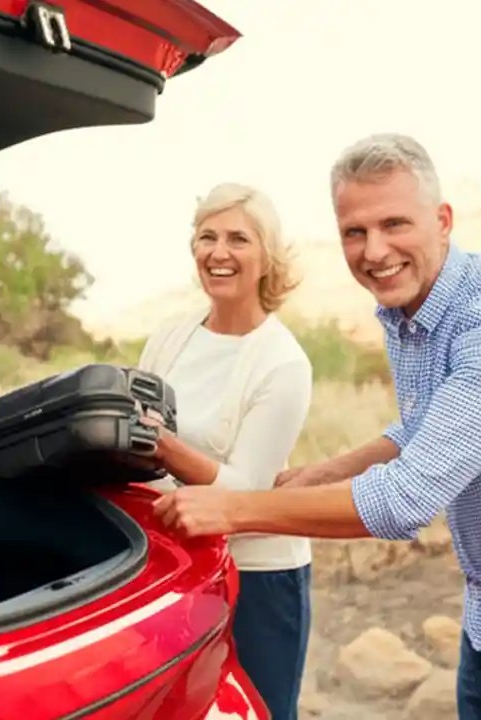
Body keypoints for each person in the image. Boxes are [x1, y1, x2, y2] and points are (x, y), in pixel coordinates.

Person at [149, 135, 481, 720]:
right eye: (355, 232)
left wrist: (234, 509)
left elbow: (405, 501)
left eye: (394, 224)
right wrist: (333, 469)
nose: (375, 251)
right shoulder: (408, 310)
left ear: (443, 220)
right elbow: (425, 424)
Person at [135, 182, 314, 720]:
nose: (219, 252)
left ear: (266, 257)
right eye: (206, 237)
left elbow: (248, 497)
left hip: (258, 581)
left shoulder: (283, 364)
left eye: (239, 239)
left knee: (252, 711)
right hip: (170, 560)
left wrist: (164, 448)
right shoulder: (171, 334)